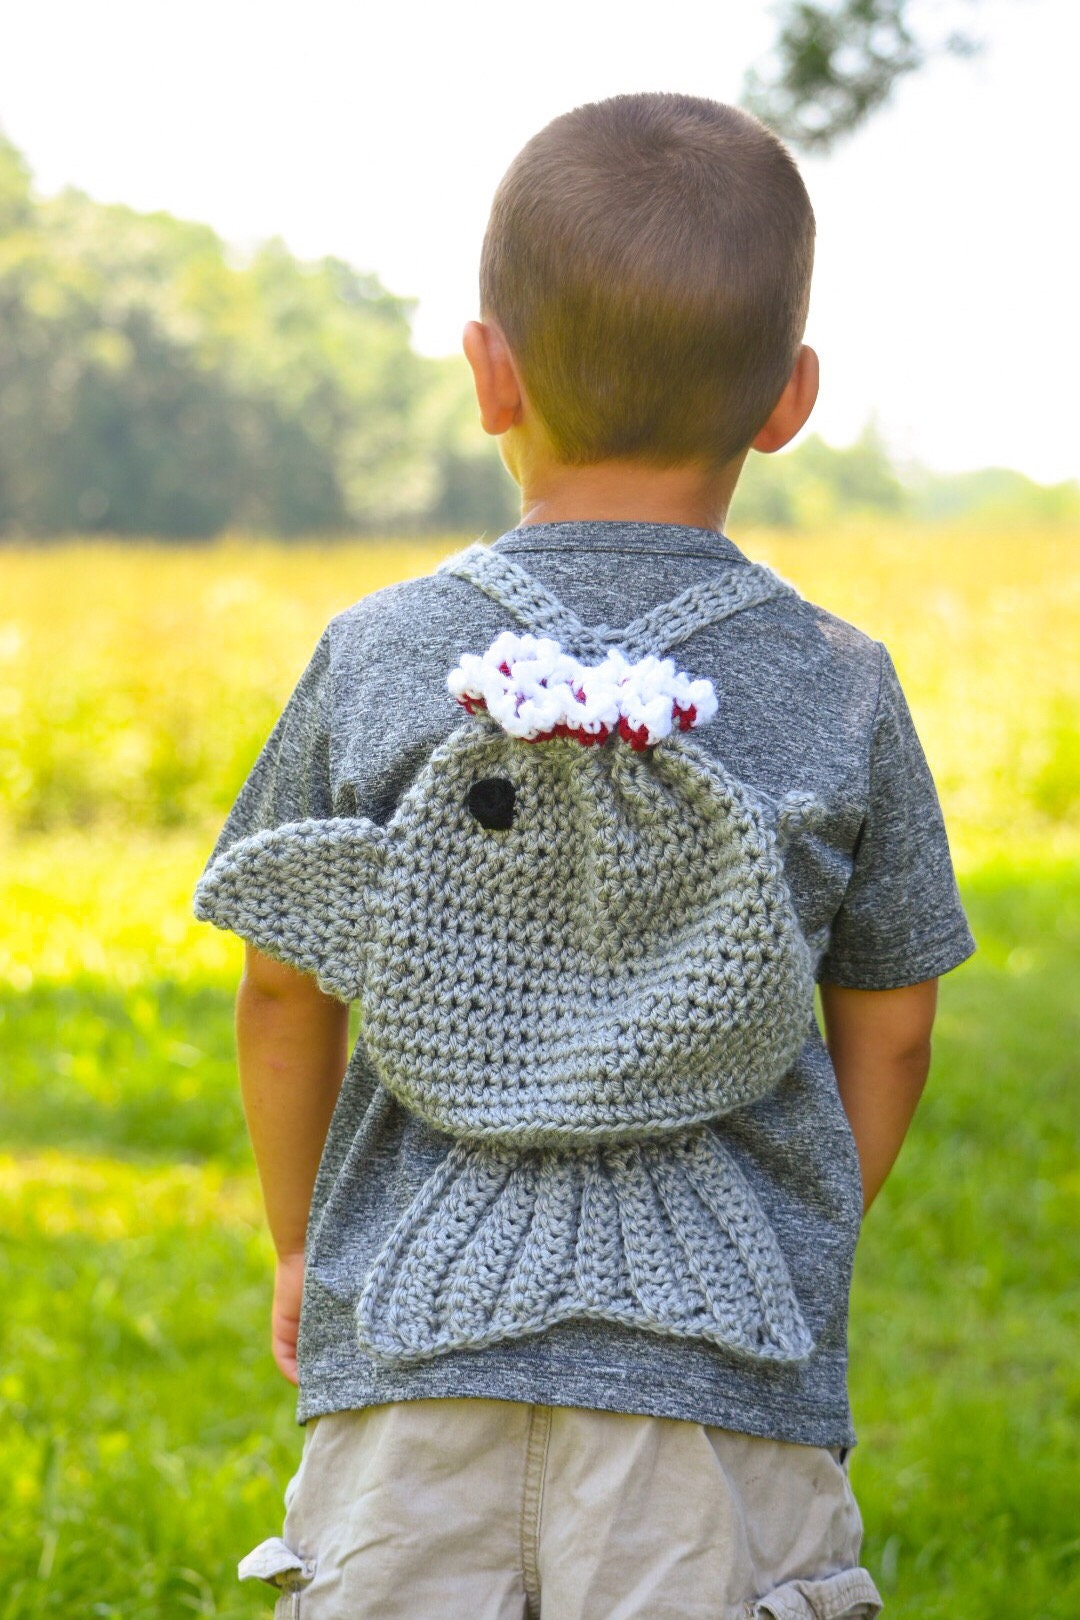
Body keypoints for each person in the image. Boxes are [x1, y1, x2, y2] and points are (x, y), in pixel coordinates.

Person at [193, 92, 975, 1620]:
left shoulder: (376, 652)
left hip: (412, 1346)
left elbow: (285, 994)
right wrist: (809, 1216)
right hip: (725, 1374)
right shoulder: (838, 677)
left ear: (490, 372)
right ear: (789, 398)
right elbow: (898, 1022)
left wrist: (305, 1246)